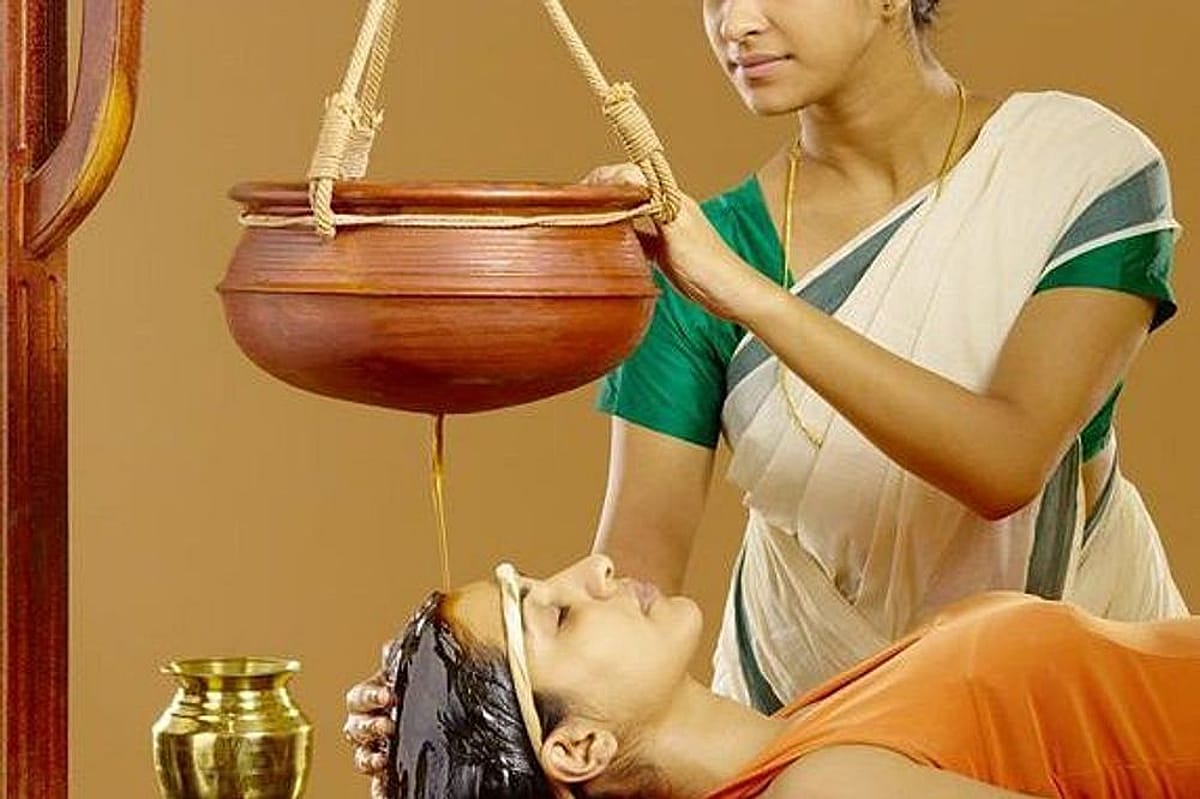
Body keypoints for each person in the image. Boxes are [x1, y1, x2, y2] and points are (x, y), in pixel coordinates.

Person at [347, 0, 1191, 771]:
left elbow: (1006, 462)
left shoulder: (1077, 169)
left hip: (1071, 704)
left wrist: (741, 289)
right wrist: (472, 703)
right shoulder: (704, 253)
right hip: (791, 721)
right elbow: (633, 578)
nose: (735, 21)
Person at [349, 554, 1200, 798]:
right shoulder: (823, 790)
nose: (596, 566)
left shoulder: (793, 736)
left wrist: (428, 745)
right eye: (558, 614)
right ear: (578, 745)